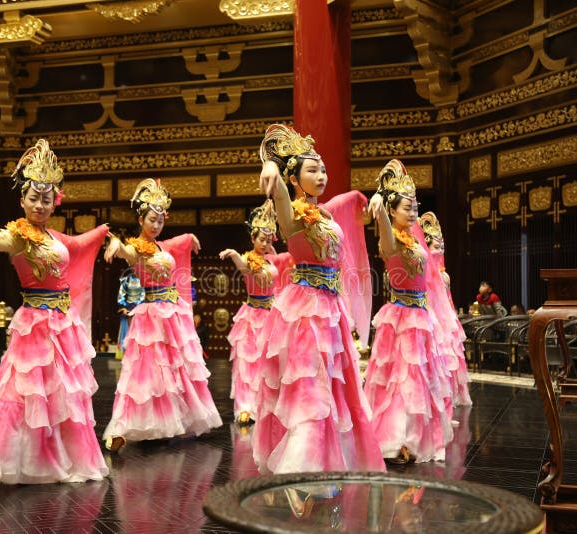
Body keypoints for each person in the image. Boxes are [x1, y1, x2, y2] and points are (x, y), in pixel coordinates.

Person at [0, 139, 109, 497]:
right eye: (34, 198)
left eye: (46, 199)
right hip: (34, 324)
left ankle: (59, 459)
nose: (40, 204)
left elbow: (78, 246)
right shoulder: (17, 237)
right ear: (22, 200)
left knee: (61, 397)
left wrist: (103, 234)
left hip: (63, 325)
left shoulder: (53, 236)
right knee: (19, 396)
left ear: (55, 202)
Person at [253, 123, 385, 474]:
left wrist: (375, 203)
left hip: (331, 306)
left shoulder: (324, 214)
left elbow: (350, 203)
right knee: (309, 385)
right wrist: (271, 167)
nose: (322, 175)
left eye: (323, 168)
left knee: (332, 386)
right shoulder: (292, 213)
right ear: (294, 178)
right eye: (312, 170)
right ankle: (301, 467)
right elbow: (278, 193)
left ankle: (326, 460)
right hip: (306, 308)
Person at [102, 178, 222, 452]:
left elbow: (175, 243)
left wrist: (190, 238)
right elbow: (126, 251)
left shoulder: (159, 246)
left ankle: (181, 418)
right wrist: (117, 246)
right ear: (140, 218)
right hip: (153, 313)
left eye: (160, 220)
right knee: (151, 373)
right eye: (151, 219)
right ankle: (140, 423)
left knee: (178, 369)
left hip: (173, 311)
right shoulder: (137, 248)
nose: (156, 225)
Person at [364, 160, 454, 464]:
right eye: (407, 207)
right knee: (399, 380)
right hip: (401, 315)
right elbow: (386, 235)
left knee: (419, 378)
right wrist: (379, 212)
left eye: (415, 207)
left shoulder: (416, 241)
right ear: (392, 211)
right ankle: (396, 439)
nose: (413, 212)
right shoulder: (389, 241)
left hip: (421, 314)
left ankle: (415, 437)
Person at [219, 199, 284, 425]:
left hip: (271, 313)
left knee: (270, 360)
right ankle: (246, 406)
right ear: (252, 238)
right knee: (249, 363)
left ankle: (270, 403)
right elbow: (243, 267)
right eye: (261, 239)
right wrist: (233, 253)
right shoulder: (248, 258)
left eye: (268, 239)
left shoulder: (270, 259)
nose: (265, 243)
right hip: (253, 313)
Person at [420, 211, 472, 406]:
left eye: (442, 245)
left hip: (443, 317)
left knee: (446, 359)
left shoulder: (444, 275)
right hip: (428, 314)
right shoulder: (423, 269)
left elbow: (447, 299)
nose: (440, 249)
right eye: (436, 245)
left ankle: (445, 399)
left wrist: (452, 320)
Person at [115, 269, 143, 360]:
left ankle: (140, 354)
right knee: (127, 332)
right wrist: (123, 307)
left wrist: (139, 307)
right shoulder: (126, 280)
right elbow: (121, 295)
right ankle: (127, 353)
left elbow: (145, 295)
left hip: (140, 310)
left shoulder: (144, 280)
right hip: (127, 310)